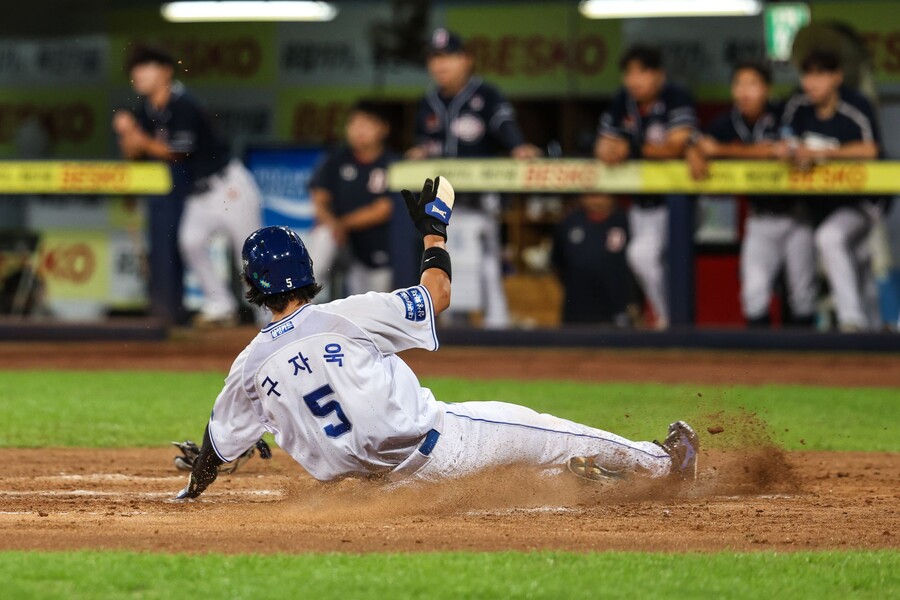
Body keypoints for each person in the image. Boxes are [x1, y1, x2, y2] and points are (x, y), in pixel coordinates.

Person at [173, 176, 699, 501]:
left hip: (377, 491)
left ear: (252, 285)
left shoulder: (250, 364)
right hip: (444, 448)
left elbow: (217, 446)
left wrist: (194, 488)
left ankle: (587, 485)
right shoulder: (346, 316)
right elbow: (438, 294)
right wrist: (434, 231)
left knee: (504, 483)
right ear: (307, 270)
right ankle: (662, 463)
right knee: (548, 434)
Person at [113, 45, 262, 328]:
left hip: (228, 186)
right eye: (136, 69)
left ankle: (268, 313)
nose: (139, 74)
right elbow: (135, 153)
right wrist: (128, 133)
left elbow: (176, 152)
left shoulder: (183, 104)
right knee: (190, 242)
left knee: (249, 253)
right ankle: (221, 304)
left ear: (166, 71)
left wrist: (138, 137)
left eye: (146, 67)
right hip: (198, 194)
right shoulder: (147, 109)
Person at [407, 28, 540, 328]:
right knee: (449, 261)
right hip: (443, 202)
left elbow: (504, 124)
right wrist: (419, 152)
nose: (441, 64)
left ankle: (497, 322)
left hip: (481, 198)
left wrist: (518, 145)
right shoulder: (428, 100)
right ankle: (456, 329)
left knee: (486, 261)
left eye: (448, 56)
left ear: (466, 59)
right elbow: (424, 141)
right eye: (435, 58)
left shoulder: (486, 94)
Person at [687, 60, 816, 328]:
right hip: (760, 219)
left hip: (798, 216)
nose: (744, 92)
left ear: (767, 89)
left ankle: (804, 355)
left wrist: (722, 151)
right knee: (753, 294)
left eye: (753, 84)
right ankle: (763, 354)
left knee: (802, 296)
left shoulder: (785, 113)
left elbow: (780, 150)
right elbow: (697, 141)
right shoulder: (727, 122)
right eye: (739, 84)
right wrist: (694, 151)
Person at [595, 45, 697, 330]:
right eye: (629, 73)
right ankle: (670, 320)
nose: (634, 80)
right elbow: (603, 147)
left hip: (677, 203)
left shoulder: (675, 97)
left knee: (645, 256)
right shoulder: (623, 100)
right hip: (642, 205)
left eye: (642, 72)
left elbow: (677, 146)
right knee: (644, 258)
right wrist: (626, 149)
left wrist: (632, 148)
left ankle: (671, 320)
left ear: (658, 75)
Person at [780, 50, 882, 331]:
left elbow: (870, 150)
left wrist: (821, 153)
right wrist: (793, 151)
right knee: (858, 262)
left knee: (831, 238)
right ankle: (872, 331)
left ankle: (852, 322)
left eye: (820, 74)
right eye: (807, 74)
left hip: (860, 202)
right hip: (818, 204)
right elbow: (784, 141)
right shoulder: (798, 104)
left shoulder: (854, 104)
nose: (811, 82)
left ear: (837, 77)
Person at [307, 101, 398, 299]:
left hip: (376, 246)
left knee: (374, 306)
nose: (359, 130)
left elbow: (384, 209)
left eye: (367, 123)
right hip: (341, 241)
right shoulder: (336, 158)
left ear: (383, 128)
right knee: (323, 235)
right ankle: (301, 304)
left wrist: (341, 224)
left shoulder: (392, 163)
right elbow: (319, 198)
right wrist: (333, 225)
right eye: (354, 123)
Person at [551, 193, 631, 326]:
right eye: (592, 195)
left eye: (602, 194)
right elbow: (557, 263)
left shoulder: (625, 220)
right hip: (577, 309)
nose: (597, 200)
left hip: (616, 308)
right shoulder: (569, 222)